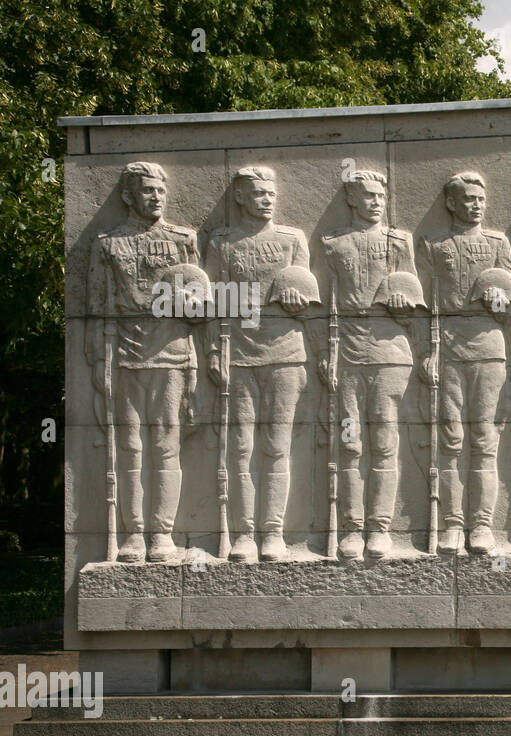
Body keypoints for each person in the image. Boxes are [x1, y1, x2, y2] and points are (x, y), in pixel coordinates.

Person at [87, 161, 203, 563]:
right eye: (147, 191)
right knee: (130, 447)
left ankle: (162, 535)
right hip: (124, 354)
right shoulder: (107, 244)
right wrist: (97, 359)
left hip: (170, 352)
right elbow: (96, 311)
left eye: (160, 190)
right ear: (128, 196)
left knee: (165, 445)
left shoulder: (183, 239)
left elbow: (201, 305)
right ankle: (134, 534)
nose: (156, 197)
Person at [204, 166, 315, 563]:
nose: (267, 199)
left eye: (271, 193)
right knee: (240, 447)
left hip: (285, 353)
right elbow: (214, 302)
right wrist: (215, 350)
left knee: (276, 446)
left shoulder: (292, 240)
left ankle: (272, 533)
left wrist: (299, 305)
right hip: (239, 352)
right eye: (258, 193)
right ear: (240, 197)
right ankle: (245, 533)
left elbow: (309, 302)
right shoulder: (222, 242)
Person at [321, 169, 419, 560]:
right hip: (347, 355)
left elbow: (416, 299)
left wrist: (404, 304)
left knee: (383, 442)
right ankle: (351, 527)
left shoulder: (400, 241)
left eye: (381, 195)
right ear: (352, 199)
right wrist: (325, 356)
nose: (377, 201)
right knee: (349, 443)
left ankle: (379, 528)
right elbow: (322, 310)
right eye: (369, 196)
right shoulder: (332, 245)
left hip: (390, 353)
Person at [419, 171, 511, 554]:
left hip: (489, 347)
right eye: (469, 199)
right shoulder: (433, 245)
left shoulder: (497, 243)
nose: (476, 205)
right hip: (448, 347)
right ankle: (453, 523)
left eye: (481, 199)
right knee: (451, 440)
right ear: (452, 203)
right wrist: (428, 351)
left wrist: (500, 301)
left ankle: (482, 526)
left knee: (484, 439)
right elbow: (422, 305)